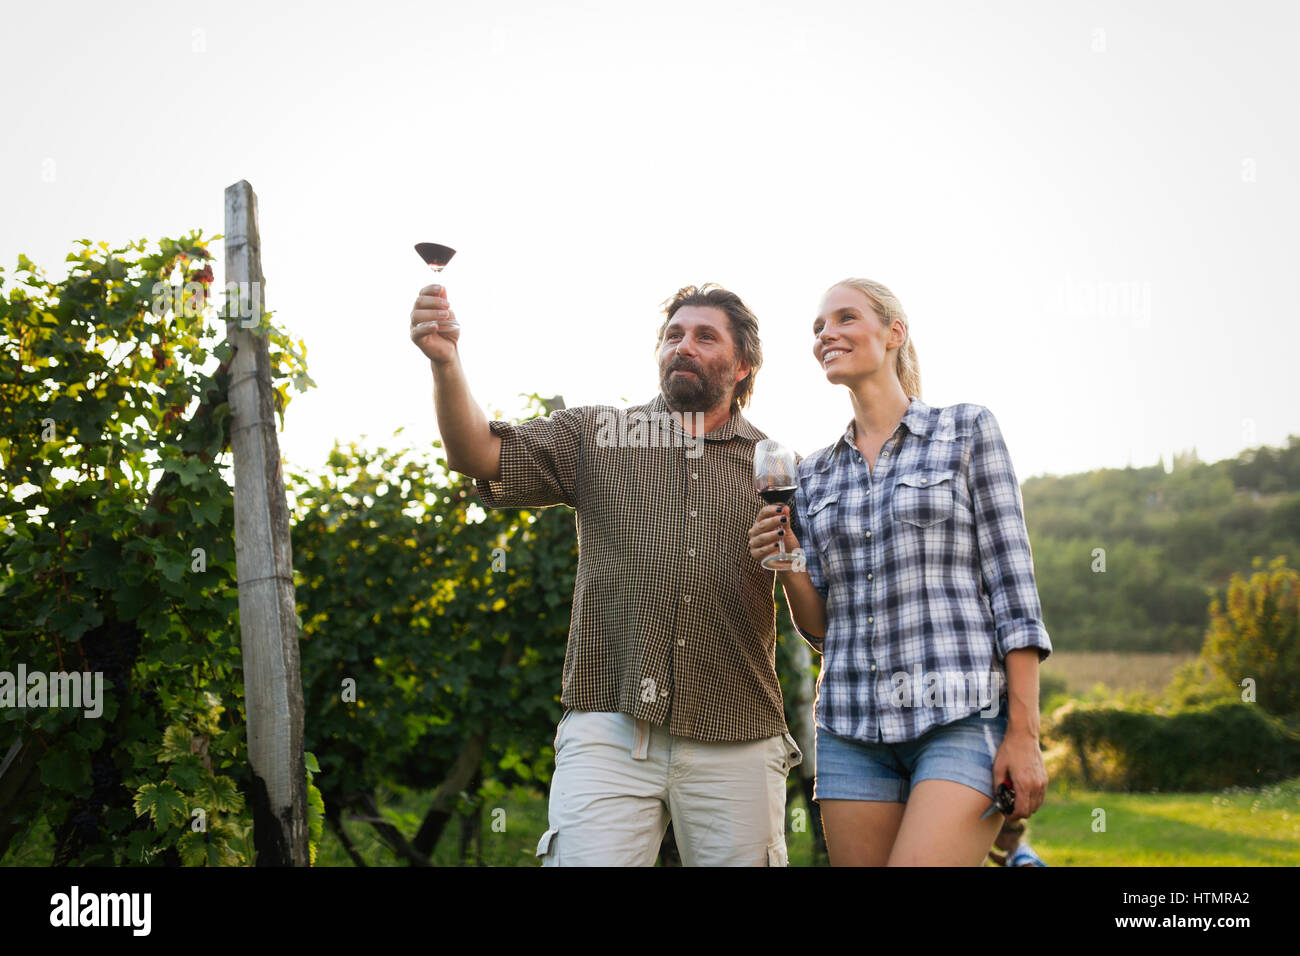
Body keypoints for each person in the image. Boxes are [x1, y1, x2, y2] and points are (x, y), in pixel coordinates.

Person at [409, 281, 803, 866]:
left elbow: (811, 604)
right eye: (673, 335)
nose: (683, 346)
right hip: (609, 724)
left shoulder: (777, 466)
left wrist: (791, 556)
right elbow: (475, 453)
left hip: (737, 730)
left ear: (743, 365)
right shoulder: (596, 435)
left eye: (704, 336)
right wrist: (446, 361)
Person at [747, 277, 1052, 866]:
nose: (826, 334)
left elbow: (1014, 595)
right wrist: (788, 564)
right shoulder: (813, 476)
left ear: (894, 332)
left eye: (844, 318)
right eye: (817, 328)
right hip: (851, 731)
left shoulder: (966, 431)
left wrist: (1025, 735)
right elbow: (821, 631)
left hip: (960, 717)